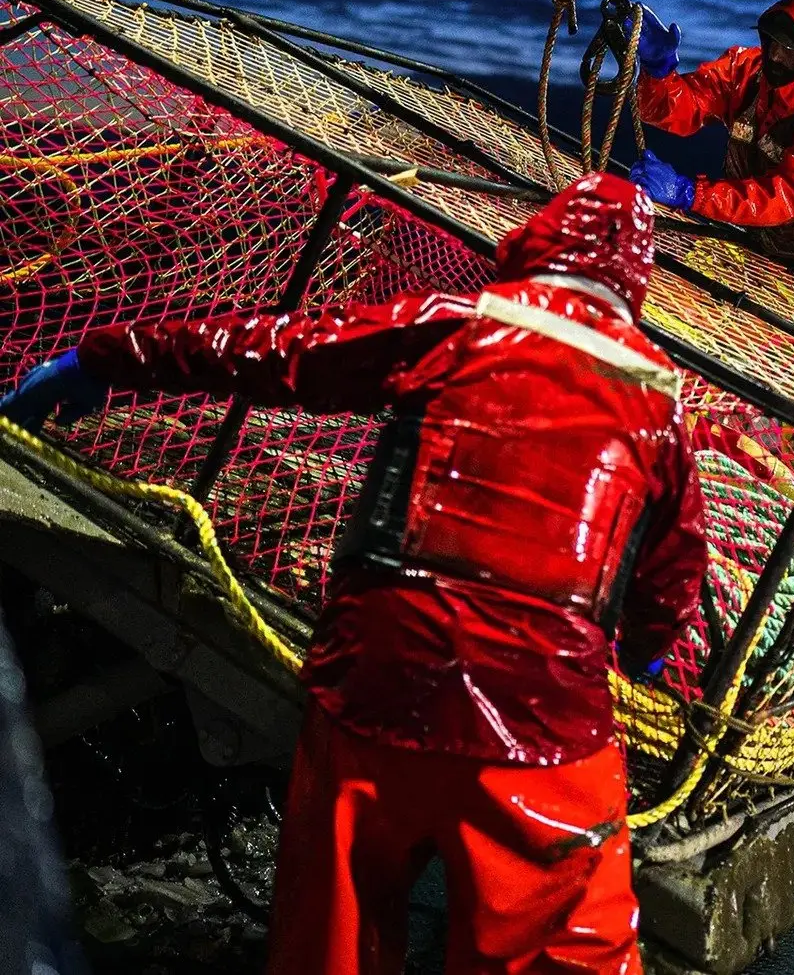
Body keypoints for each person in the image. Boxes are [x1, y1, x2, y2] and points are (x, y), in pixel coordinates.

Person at [0, 173, 707, 975]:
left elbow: (272, 349)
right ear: (633, 284)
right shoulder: (657, 400)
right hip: (544, 717)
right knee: (568, 951)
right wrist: (646, 648)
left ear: (539, 240)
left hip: (378, 676)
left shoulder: (455, 323)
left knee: (330, 943)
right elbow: (675, 572)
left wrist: (106, 358)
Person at [629, 0, 794, 295]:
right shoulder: (748, 72)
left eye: (790, 48)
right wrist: (658, 72)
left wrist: (689, 192)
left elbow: (786, 197)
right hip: (764, 242)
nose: (775, 55)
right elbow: (676, 109)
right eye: (772, 40)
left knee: (786, 342)